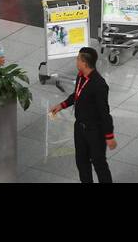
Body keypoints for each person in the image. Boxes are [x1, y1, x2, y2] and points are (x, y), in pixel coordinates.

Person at [48, 46, 115, 184]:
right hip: (80, 128)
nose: (76, 60)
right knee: (81, 162)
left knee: (99, 164)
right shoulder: (81, 77)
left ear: (84, 63)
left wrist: (109, 136)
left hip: (94, 130)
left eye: (78, 59)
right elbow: (77, 95)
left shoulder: (98, 85)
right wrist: (62, 105)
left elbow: (104, 113)